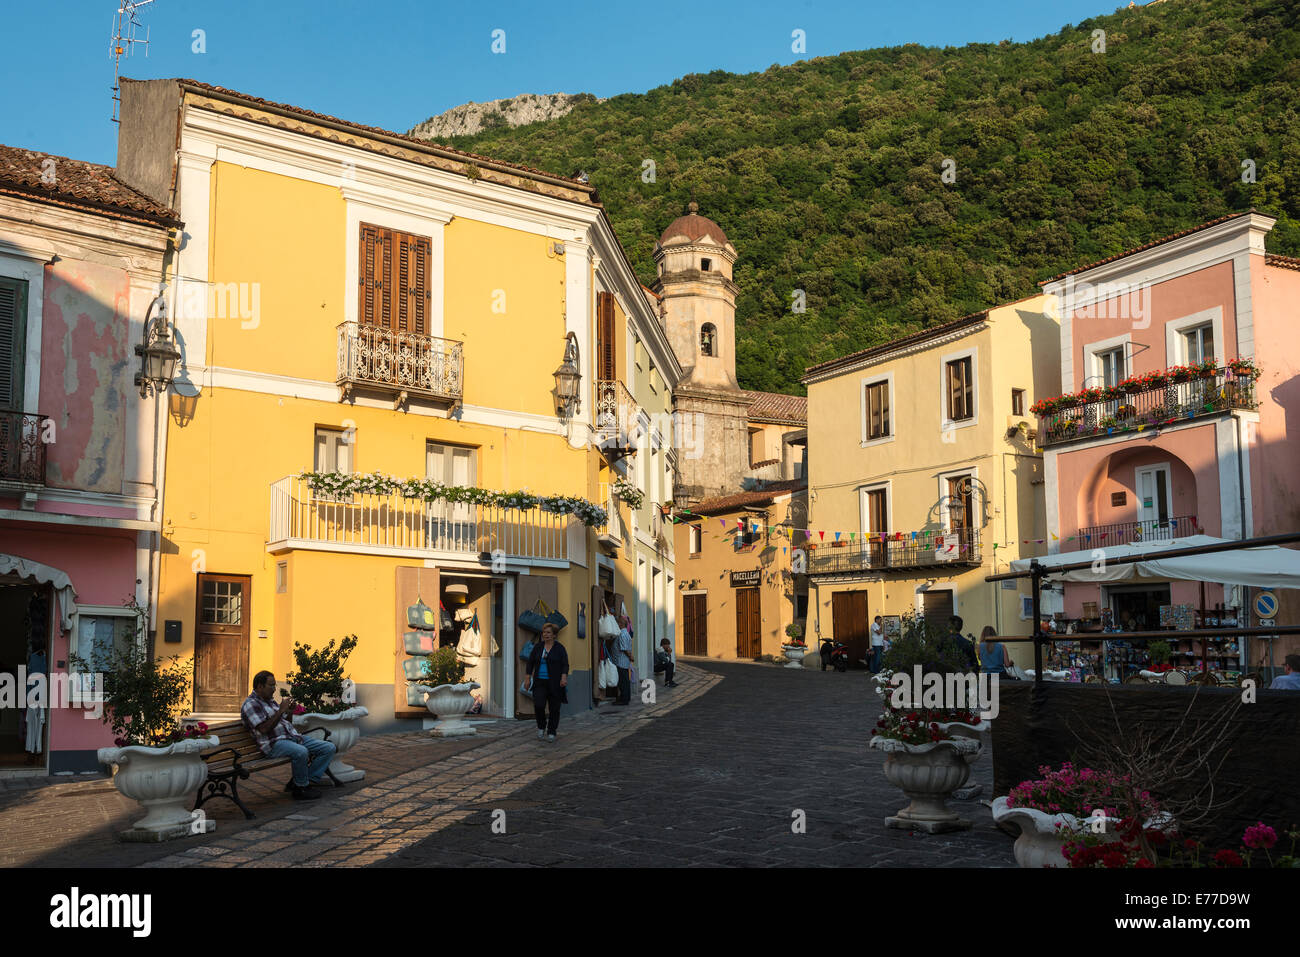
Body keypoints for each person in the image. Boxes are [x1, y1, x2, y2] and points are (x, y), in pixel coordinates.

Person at [241, 671, 336, 800]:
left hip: (292, 737)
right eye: (271, 685)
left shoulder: (270, 701)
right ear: (259, 686)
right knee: (301, 752)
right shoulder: (250, 704)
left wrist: (289, 712)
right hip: (273, 744)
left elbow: (286, 722)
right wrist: (280, 710)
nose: (274, 689)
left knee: (329, 748)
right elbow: (263, 729)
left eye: (275, 685)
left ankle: (303, 781)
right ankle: (301, 789)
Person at [525, 622, 569, 740]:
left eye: (549, 632)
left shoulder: (560, 648)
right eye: (544, 632)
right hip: (540, 682)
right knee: (539, 705)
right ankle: (541, 726)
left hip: (555, 682)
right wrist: (528, 677)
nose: (546, 634)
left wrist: (564, 676)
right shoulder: (538, 647)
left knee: (554, 708)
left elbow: (565, 664)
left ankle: (552, 731)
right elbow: (530, 663)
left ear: (554, 635)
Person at [613, 614, 634, 705]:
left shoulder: (622, 634)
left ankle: (624, 699)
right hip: (623, 662)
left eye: (617, 623)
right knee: (625, 681)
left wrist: (630, 656)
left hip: (621, 662)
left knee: (623, 682)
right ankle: (626, 698)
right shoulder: (626, 634)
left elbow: (624, 648)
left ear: (621, 624)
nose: (616, 624)